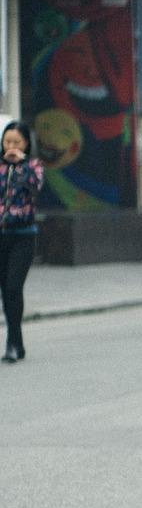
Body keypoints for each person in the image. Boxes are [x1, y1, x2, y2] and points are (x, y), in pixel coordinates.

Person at [0, 121, 45, 364]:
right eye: (7, 142)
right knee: (4, 292)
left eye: (16, 142)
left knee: (13, 288)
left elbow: (36, 186)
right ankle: (15, 342)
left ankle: (13, 343)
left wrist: (21, 166)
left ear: (26, 143)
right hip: (1, 235)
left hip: (23, 236)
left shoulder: (34, 166)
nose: (11, 147)